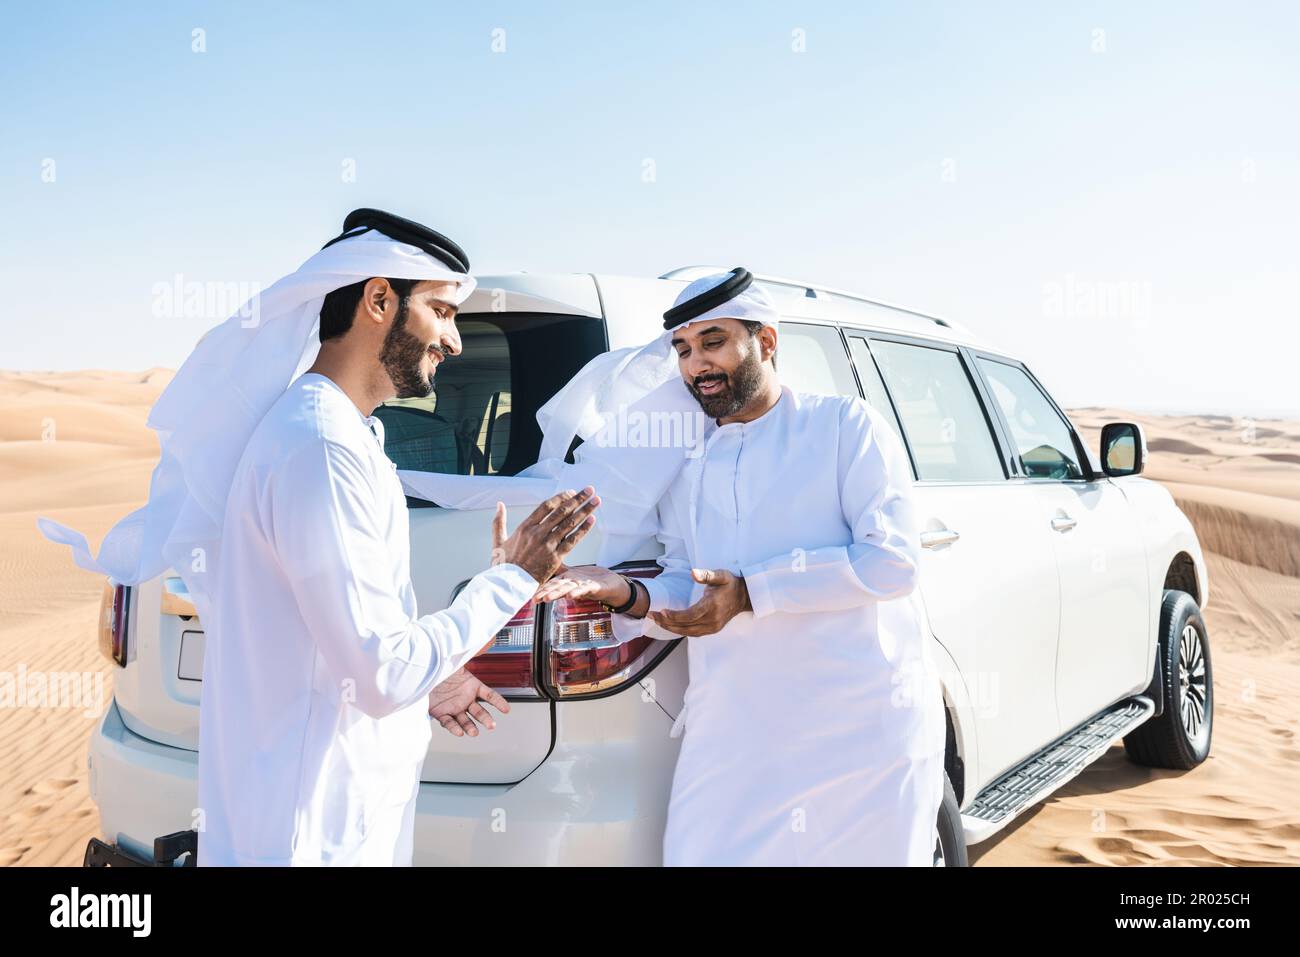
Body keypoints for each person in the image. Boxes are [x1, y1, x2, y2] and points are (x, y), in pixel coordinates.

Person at [40, 209, 600, 865]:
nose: (454, 341)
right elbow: (383, 673)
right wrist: (512, 576)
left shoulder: (335, 436)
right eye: (443, 312)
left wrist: (430, 683)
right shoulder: (321, 449)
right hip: (308, 841)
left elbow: (330, 645)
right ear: (378, 299)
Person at [532, 268, 947, 865]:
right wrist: (621, 591)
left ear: (767, 342)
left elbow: (892, 562)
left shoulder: (843, 427)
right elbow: (689, 582)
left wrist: (754, 592)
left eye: (713, 342)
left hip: (857, 730)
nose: (695, 364)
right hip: (733, 732)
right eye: (682, 349)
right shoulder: (689, 463)